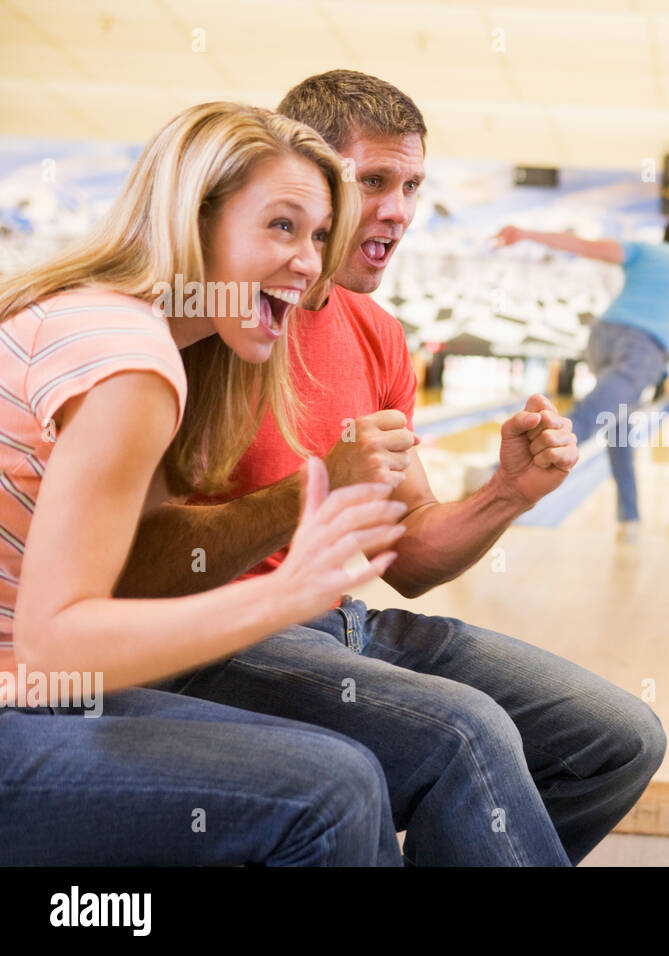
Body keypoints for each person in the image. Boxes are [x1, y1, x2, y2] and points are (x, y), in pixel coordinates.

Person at [115, 71, 667, 866]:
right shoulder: (215, 323)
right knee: (466, 737)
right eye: (373, 181)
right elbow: (137, 567)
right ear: (304, 174)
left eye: (411, 185)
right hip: (221, 641)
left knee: (617, 739)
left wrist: (506, 494)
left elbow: (409, 560)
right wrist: (317, 488)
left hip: (348, 626)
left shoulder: (376, 334)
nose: (399, 210)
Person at [0, 101, 406, 865]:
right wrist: (286, 595)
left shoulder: (135, 334)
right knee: (333, 789)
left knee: (349, 770)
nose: (311, 263)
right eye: (281, 226)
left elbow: (108, 590)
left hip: (26, 695)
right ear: (194, 219)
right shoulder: (130, 361)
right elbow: (54, 647)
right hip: (23, 699)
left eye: (319, 235)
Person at [493, 218, 669, 538]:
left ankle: (631, 517)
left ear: (666, 238)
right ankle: (495, 476)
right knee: (590, 419)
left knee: (618, 428)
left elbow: (585, 246)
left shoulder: (648, 251)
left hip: (603, 336)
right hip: (646, 349)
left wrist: (526, 233)